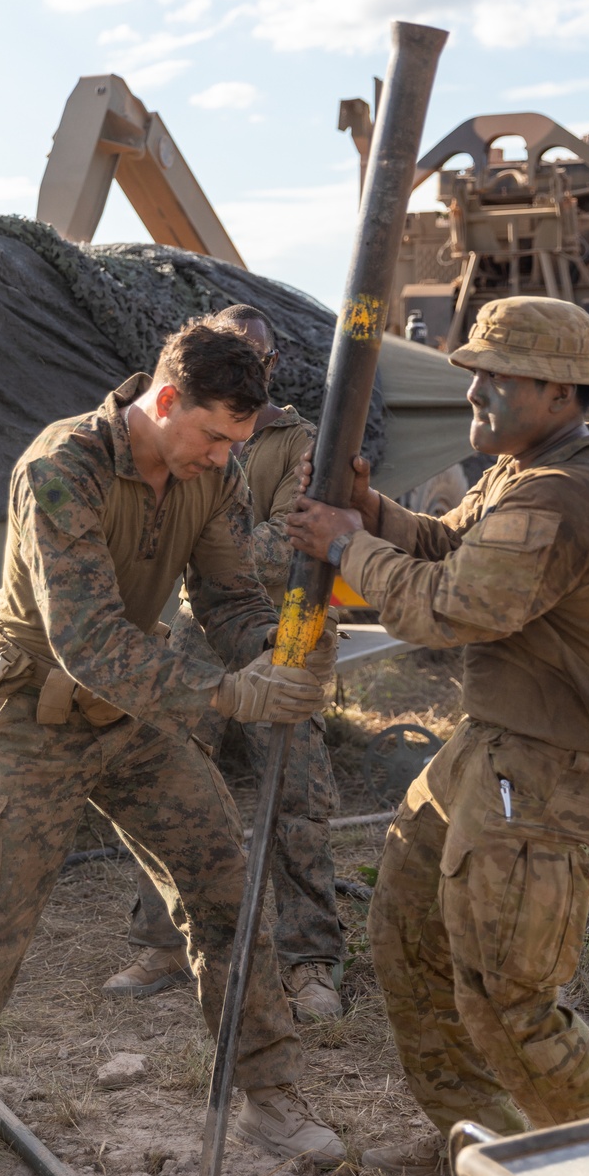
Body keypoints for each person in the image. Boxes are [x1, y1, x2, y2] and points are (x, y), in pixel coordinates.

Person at [0, 321, 345, 1176]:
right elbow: (86, 639)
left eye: (238, 442)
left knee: (226, 889)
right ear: (165, 402)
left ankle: (270, 1099)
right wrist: (235, 696)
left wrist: (278, 657)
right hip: (30, 717)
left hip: (138, 716)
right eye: (212, 436)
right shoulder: (62, 469)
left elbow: (232, 598)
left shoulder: (217, 470)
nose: (222, 457)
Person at [288, 296, 589, 1176]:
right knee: (408, 934)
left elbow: (452, 608)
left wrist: (347, 546)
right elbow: (444, 548)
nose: (478, 392)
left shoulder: (564, 493)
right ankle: (481, 1140)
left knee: (509, 998)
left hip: (548, 771)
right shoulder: (525, 470)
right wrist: (373, 511)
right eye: (476, 373)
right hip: (493, 746)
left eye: (501, 377)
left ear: (562, 393)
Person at [104, 305, 346, 1020]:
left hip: (283, 628)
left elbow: (290, 540)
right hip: (197, 629)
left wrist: (208, 541)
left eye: (249, 356)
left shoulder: (305, 443)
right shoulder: (156, 439)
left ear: (268, 369)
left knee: (297, 787)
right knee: (170, 779)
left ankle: (310, 959)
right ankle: (162, 942)